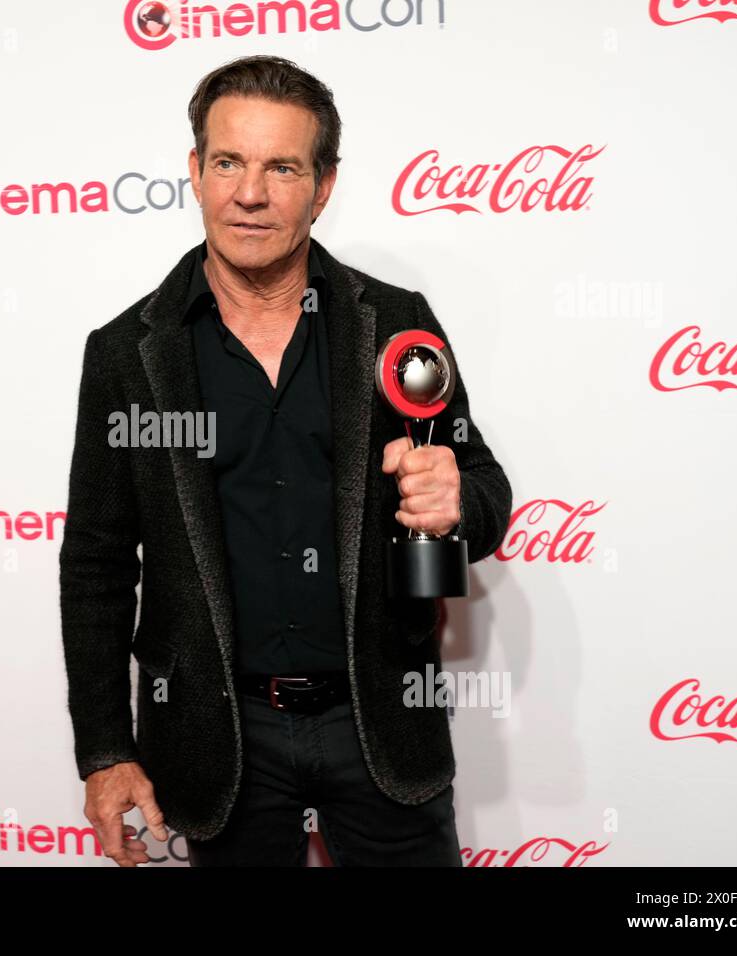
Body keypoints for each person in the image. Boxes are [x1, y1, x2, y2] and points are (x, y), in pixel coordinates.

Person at [58, 55, 512, 867]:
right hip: (219, 735)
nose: (250, 193)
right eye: (228, 161)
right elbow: (95, 564)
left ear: (324, 185)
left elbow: (482, 491)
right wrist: (104, 750)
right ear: (194, 171)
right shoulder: (128, 353)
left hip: (377, 721)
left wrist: (458, 501)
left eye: (283, 167)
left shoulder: (396, 324)